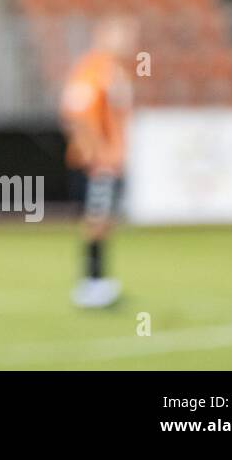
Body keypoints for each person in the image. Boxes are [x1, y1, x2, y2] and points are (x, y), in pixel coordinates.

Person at [60, 16, 138, 309]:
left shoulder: (115, 71)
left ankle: (99, 282)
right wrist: (98, 153)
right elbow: (77, 112)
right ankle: (91, 284)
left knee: (104, 221)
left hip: (110, 161)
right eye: (122, 34)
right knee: (96, 221)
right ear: (103, 35)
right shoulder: (93, 69)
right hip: (97, 163)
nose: (129, 42)